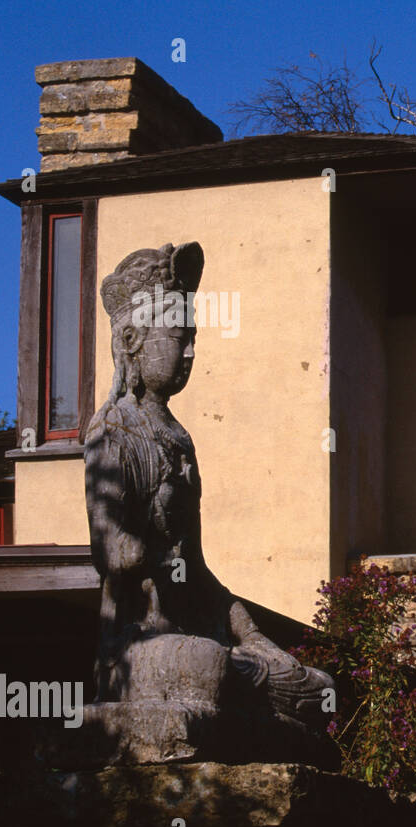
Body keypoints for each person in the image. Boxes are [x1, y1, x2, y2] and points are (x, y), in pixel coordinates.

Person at [85, 241, 333, 730]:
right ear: (133, 339)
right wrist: (147, 549)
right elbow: (113, 555)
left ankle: (247, 691)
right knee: (209, 666)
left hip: (199, 635)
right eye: (179, 337)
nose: (191, 351)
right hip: (137, 649)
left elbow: (195, 569)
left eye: (194, 337)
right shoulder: (111, 433)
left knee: (317, 684)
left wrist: (253, 635)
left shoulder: (179, 439)